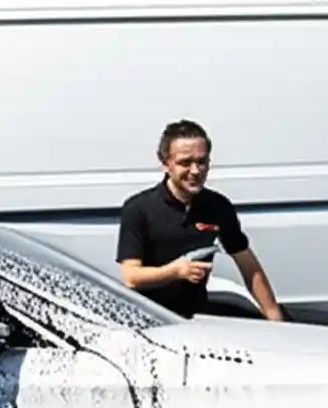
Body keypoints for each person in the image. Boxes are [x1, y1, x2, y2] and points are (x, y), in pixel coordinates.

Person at [116, 120, 283, 321]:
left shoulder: (218, 206)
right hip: (147, 319)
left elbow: (249, 265)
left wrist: (274, 316)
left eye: (202, 162)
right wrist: (176, 271)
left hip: (196, 320)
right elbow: (131, 277)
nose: (195, 171)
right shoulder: (139, 208)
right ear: (165, 163)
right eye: (185, 163)